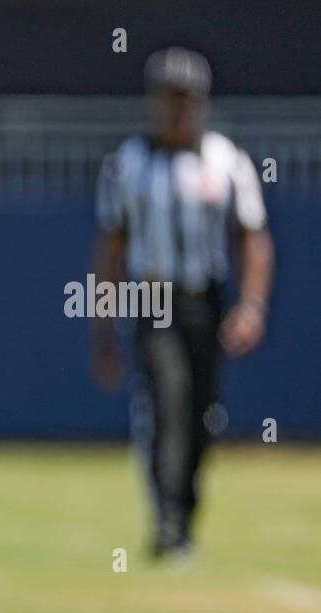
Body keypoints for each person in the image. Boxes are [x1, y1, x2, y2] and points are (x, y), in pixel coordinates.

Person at [91, 46, 274, 557]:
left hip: (205, 300)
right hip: (153, 298)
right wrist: (102, 329)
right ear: (153, 102)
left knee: (200, 414)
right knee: (168, 404)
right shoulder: (128, 164)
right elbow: (111, 246)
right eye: (170, 98)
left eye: (188, 99)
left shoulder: (227, 160)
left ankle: (185, 516)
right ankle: (167, 524)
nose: (180, 109)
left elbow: (253, 237)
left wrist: (252, 306)